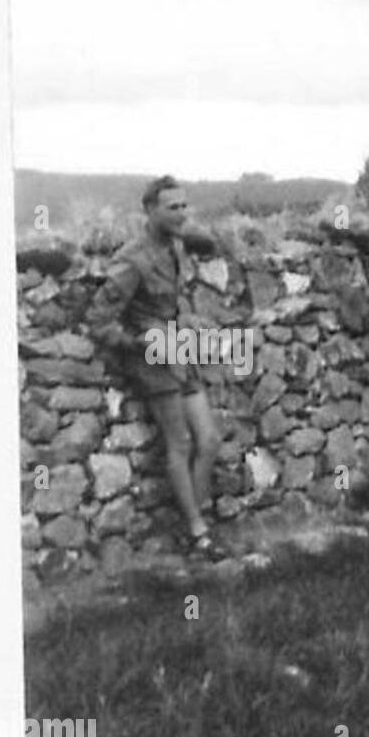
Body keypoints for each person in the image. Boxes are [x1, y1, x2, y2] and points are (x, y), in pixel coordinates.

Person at [85, 176, 228, 560]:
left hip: (179, 349)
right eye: (173, 207)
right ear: (150, 210)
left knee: (210, 440)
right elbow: (99, 320)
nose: (182, 213)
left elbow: (207, 246)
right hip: (152, 357)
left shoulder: (177, 246)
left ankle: (194, 529)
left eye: (185, 206)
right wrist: (136, 344)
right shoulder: (132, 259)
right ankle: (199, 533)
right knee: (179, 443)